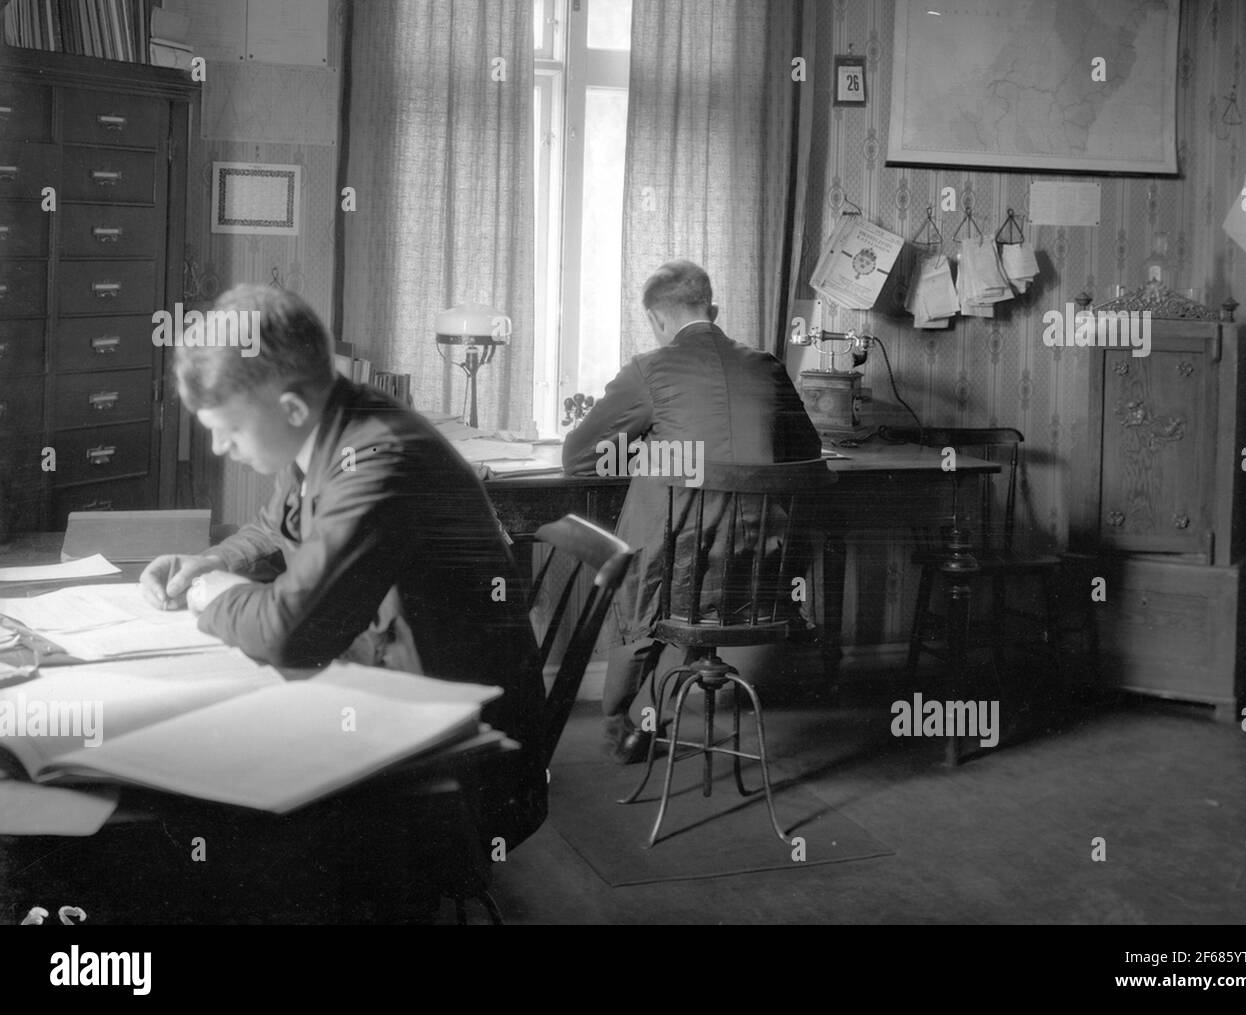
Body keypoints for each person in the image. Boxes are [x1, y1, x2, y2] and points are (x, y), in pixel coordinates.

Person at [140, 284, 545, 849]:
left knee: (196, 805)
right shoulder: (332, 421)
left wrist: (210, 592)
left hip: (464, 757)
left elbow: (292, 634)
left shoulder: (377, 459)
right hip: (392, 688)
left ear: (289, 408)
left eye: (227, 428)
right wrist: (211, 559)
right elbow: (275, 524)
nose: (217, 447)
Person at [562, 260, 823, 763]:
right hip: (756, 572)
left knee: (651, 572)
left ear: (658, 321)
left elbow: (577, 457)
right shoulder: (768, 365)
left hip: (673, 568)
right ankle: (647, 717)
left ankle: (621, 721)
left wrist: (647, 452)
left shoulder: (650, 369)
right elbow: (806, 451)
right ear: (715, 310)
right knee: (696, 580)